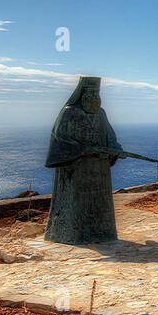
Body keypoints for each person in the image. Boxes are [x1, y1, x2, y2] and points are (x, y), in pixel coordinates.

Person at [44, 76, 122, 243]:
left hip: (99, 169)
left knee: (99, 202)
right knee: (77, 204)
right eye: (90, 93)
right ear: (82, 94)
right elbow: (60, 140)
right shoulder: (69, 113)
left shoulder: (101, 114)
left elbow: (110, 136)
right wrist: (83, 150)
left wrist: (116, 149)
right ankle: (73, 235)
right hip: (76, 169)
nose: (94, 97)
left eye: (97, 93)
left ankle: (102, 233)